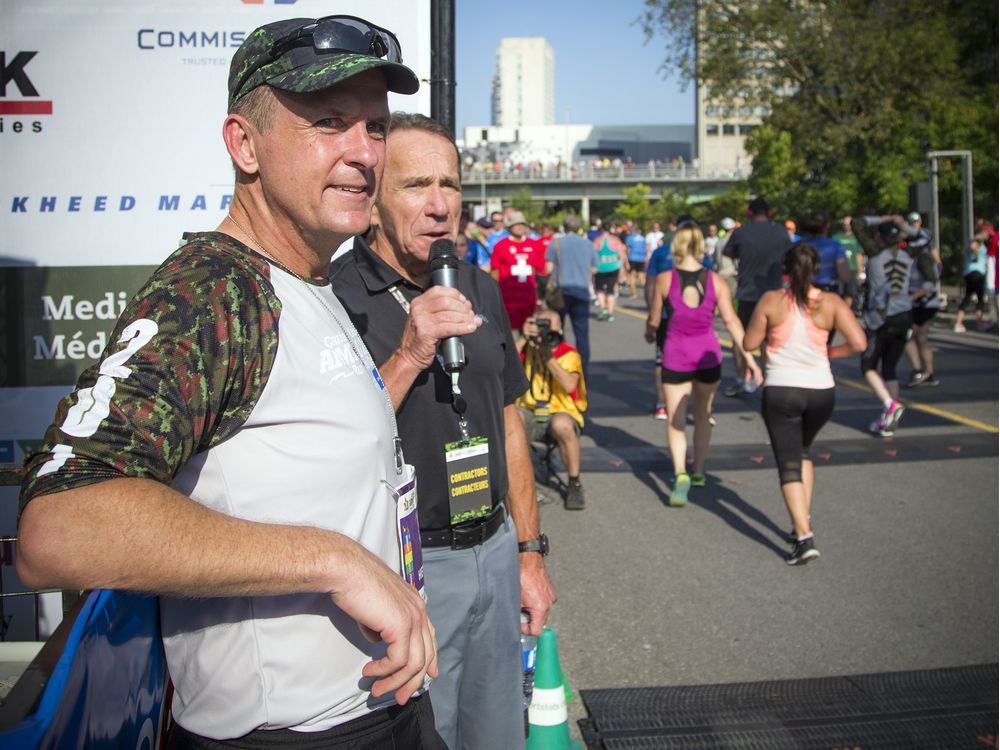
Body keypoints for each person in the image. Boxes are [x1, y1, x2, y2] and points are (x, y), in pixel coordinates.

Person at [17, 16, 444, 748]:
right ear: (244, 144)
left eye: (374, 128)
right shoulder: (214, 291)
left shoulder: (311, 276)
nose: (362, 153)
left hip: (383, 710)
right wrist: (333, 560)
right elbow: (56, 526)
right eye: (330, 123)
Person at [330, 113, 555, 750]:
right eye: (416, 186)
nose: (439, 206)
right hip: (406, 568)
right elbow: (337, 444)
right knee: (426, 737)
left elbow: (508, 420)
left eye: (450, 186)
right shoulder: (335, 297)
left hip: (494, 548)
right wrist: (410, 350)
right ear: (372, 202)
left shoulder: (475, 283)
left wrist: (529, 553)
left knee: (497, 733)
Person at [743, 244, 866, 565]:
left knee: (788, 465)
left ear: (785, 269)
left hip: (782, 388)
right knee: (803, 453)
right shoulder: (831, 302)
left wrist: (770, 336)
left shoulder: (772, 300)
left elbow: (749, 343)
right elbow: (859, 343)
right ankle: (803, 521)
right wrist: (829, 353)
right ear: (816, 269)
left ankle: (804, 538)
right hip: (821, 390)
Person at [645, 224, 761, 506]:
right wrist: (751, 360)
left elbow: (654, 320)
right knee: (703, 413)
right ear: (701, 247)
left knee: (676, 419)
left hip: (676, 354)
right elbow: (732, 323)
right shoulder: (716, 281)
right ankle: (698, 471)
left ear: (677, 247)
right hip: (708, 354)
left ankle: (680, 472)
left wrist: (650, 333)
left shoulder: (664, 279)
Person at [852, 215, 937, 436]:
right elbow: (926, 236)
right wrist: (904, 227)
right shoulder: (908, 254)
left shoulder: (875, 252)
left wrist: (887, 218)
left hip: (881, 319)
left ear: (879, 237)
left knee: (868, 366)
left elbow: (857, 223)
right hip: (904, 315)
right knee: (890, 368)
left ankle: (890, 404)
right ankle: (889, 416)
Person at [516, 310, 588, 510]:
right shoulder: (526, 349)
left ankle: (574, 483)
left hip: (560, 412)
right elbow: (503, 365)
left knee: (562, 425)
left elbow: (569, 386)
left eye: (551, 331)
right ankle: (518, 485)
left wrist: (549, 358)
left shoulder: (569, 353)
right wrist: (523, 338)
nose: (546, 336)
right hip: (530, 410)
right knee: (514, 418)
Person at [722, 197, 791, 396]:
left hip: (748, 293)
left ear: (749, 214)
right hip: (775, 295)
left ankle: (741, 378)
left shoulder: (741, 232)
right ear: (770, 214)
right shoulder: (780, 231)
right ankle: (771, 379)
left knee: (741, 338)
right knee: (772, 339)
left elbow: (729, 253)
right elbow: (789, 254)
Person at [545, 213, 598, 376]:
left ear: (564, 227)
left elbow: (548, 268)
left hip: (560, 292)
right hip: (581, 291)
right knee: (581, 332)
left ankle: (561, 365)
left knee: (557, 329)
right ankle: (583, 370)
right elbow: (594, 269)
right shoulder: (588, 244)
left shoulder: (556, 243)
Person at [903, 214, 943, 386]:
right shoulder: (916, 257)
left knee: (907, 335)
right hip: (922, 302)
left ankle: (919, 370)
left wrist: (912, 296)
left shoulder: (924, 258)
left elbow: (930, 283)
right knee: (921, 339)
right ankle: (928, 373)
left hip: (923, 303)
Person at [491, 210, 548, 332]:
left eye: (522, 224)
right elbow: (494, 273)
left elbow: (540, 271)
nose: (520, 226)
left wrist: (539, 297)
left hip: (529, 300)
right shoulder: (500, 246)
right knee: (511, 338)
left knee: (529, 336)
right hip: (508, 301)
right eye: (516, 224)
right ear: (510, 227)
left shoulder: (534, 245)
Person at [954, 236, 989, 333]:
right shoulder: (981, 248)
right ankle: (979, 323)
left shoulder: (969, 249)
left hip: (968, 274)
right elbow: (974, 246)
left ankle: (958, 323)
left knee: (967, 298)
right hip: (977, 274)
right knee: (980, 299)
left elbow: (965, 250)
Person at [593, 227, 627, 321]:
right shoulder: (615, 240)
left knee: (599, 289)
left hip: (600, 268)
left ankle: (603, 309)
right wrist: (622, 267)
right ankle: (610, 314)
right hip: (613, 267)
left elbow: (592, 254)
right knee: (610, 291)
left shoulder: (597, 240)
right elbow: (622, 254)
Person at [626, 224, 648, 298]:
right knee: (641, 275)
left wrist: (626, 259)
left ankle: (634, 294)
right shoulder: (642, 238)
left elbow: (628, 250)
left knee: (632, 276)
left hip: (633, 257)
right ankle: (648, 292)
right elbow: (646, 248)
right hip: (642, 258)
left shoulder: (630, 238)